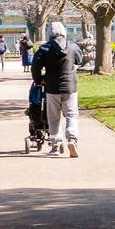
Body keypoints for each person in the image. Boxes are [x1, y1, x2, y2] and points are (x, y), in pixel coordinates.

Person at [31, 21, 84, 157]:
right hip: (70, 87)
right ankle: (72, 139)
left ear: (49, 33)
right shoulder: (72, 46)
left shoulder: (45, 48)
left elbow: (35, 66)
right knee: (71, 115)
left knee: (54, 117)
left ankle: (55, 146)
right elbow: (79, 60)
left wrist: (38, 80)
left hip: (52, 87)